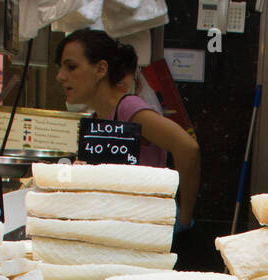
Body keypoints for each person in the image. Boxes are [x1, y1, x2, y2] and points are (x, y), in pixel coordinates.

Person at [55, 28, 200, 230]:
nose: (60, 76)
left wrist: (183, 217)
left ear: (100, 69)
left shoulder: (128, 108)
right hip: (116, 228)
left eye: (71, 67)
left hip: (147, 228)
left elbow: (187, 148)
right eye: (61, 68)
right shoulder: (95, 119)